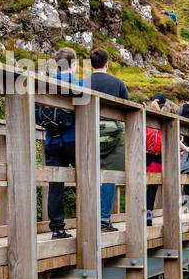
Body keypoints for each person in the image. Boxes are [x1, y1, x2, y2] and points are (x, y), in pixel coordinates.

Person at [37, 47, 80, 239]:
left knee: (55, 185)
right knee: (86, 181)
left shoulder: (45, 83)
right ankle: (90, 224)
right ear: (73, 64)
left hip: (51, 140)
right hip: (73, 139)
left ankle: (57, 228)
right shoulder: (78, 84)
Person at [87, 48, 129, 233]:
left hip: (89, 132)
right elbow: (128, 109)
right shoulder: (118, 83)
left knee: (89, 176)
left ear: (91, 63)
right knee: (109, 176)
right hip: (113, 134)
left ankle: (88, 219)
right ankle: (104, 220)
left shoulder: (83, 82)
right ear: (107, 63)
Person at [145, 93, 167, 226]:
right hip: (157, 157)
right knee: (152, 187)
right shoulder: (162, 119)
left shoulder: (145, 114)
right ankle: (148, 213)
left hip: (143, 155)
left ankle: (138, 213)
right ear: (163, 105)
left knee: (139, 185)